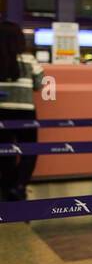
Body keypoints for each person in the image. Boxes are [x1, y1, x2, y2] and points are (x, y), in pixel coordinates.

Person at [0, 21, 42, 202]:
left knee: (5, 151)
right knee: (29, 150)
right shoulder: (29, 60)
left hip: (1, 113)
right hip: (25, 113)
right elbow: (39, 85)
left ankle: (8, 185)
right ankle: (19, 185)